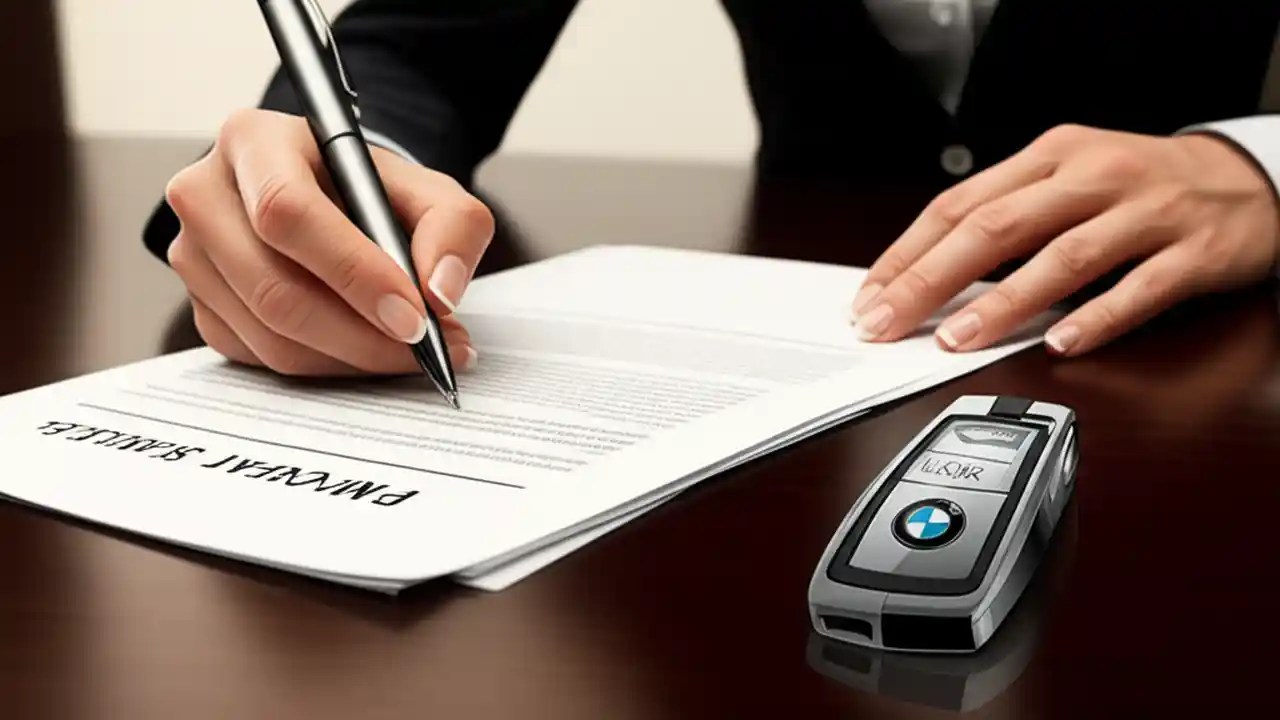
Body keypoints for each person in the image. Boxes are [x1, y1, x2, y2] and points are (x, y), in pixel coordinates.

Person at [144, 0, 1280, 376]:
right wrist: (326, 166)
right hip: (797, 376)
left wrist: (1254, 167)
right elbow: (418, 46)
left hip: (1197, 371)